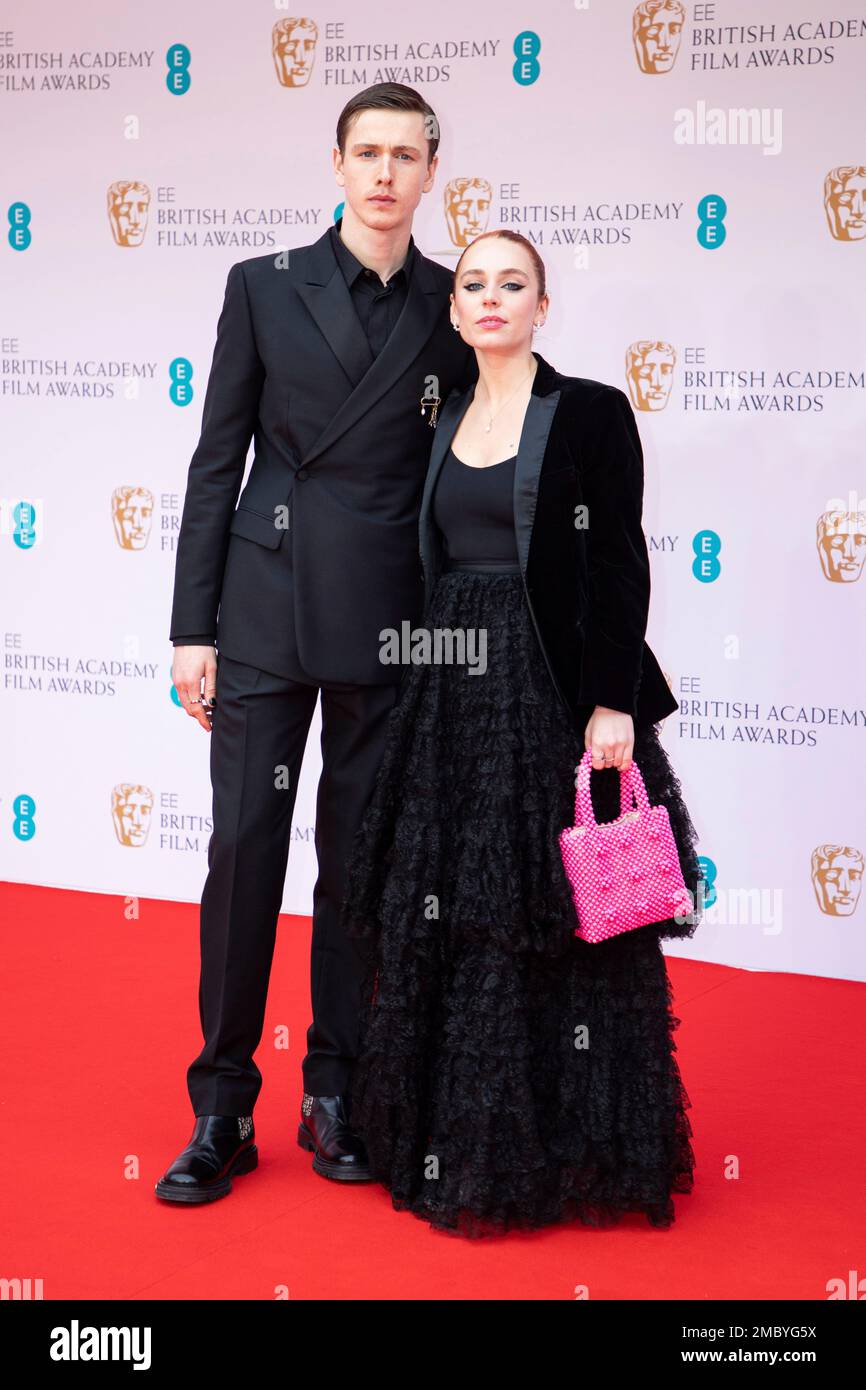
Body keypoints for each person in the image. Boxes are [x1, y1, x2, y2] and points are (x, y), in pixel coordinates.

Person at [338, 228, 704, 1237]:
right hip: (450, 698)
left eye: (513, 283)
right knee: (448, 911)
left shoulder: (587, 411)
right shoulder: (443, 412)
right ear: (452, 312)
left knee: (556, 914)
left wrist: (611, 701)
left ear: (543, 306)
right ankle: (455, 1133)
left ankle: (569, 1143)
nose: (491, 298)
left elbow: (618, 564)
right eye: (473, 285)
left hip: (549, 693)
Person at [155, 83, 476, 1204]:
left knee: (360, 866)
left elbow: (467, 480)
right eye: (366, 153)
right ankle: (221, 1106)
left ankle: (335, 1090)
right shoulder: (261, 287)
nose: (385, 173)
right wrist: (193, 624)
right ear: (335, 165)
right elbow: (216, 463)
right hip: (263, 605)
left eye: (405, 155)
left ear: (432, 171)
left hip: (394, 619)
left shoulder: (454, 303)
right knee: (243, 853)